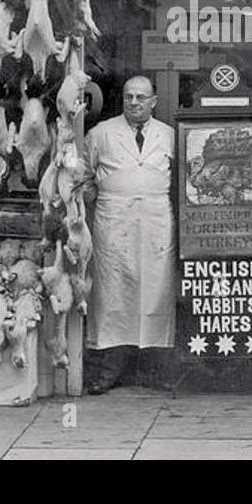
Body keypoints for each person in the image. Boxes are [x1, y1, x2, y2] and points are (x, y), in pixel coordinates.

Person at [82, 75, 176, 393]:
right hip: (114, 221)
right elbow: (82, 176)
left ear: (154, 101)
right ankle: (108, 369)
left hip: (156, 221)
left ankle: (154, 368)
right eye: (128, 97)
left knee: (156, 288)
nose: (134, 102)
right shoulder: (101, 133)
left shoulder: (169, 135)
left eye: (140, 97)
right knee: (112, 294)